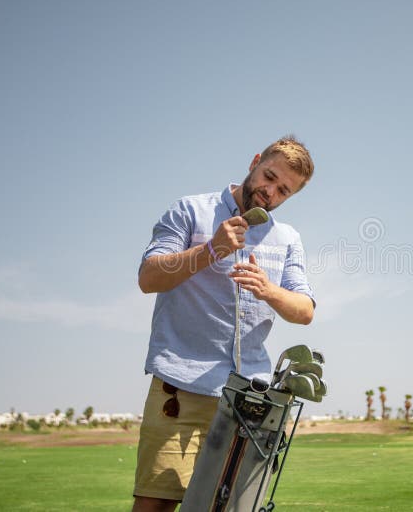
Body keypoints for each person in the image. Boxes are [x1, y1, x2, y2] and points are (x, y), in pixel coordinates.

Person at [132, 136, 316, 512]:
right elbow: (149, 277)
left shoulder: (287, 238)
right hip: (181, 391)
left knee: (233, 509)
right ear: (254, 162)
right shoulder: (190, 210)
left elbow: (305, 310)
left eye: (283, 191)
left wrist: (269, 291)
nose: (270, 192)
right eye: (269, 177)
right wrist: (210, 250)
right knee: (155, 506)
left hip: (251, 398)